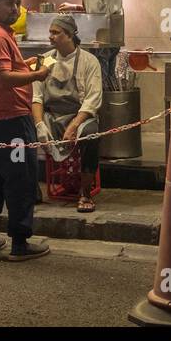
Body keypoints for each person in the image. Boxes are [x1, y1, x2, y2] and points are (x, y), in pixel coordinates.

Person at [0, 0, 52, 261]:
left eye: (17, 3)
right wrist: (37, 75)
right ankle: (19, 243)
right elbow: (3, 78)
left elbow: (6, 69)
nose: (14, 8)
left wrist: (24, 64)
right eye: (9, 2)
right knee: (21, 180)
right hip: (11, 122)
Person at [32, 14, 103, 213]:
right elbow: (36, 97)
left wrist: (73, 126)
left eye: (56, 33)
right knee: (21, 134)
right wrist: (39, 124)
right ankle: (31, 189)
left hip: (79, 116)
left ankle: (85, 193)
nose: (51, 37)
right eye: (50, 33)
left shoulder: (89, 61)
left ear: (70, 34)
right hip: (51, 116)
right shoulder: (44, 60)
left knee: (91, 136)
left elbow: (93, 100)